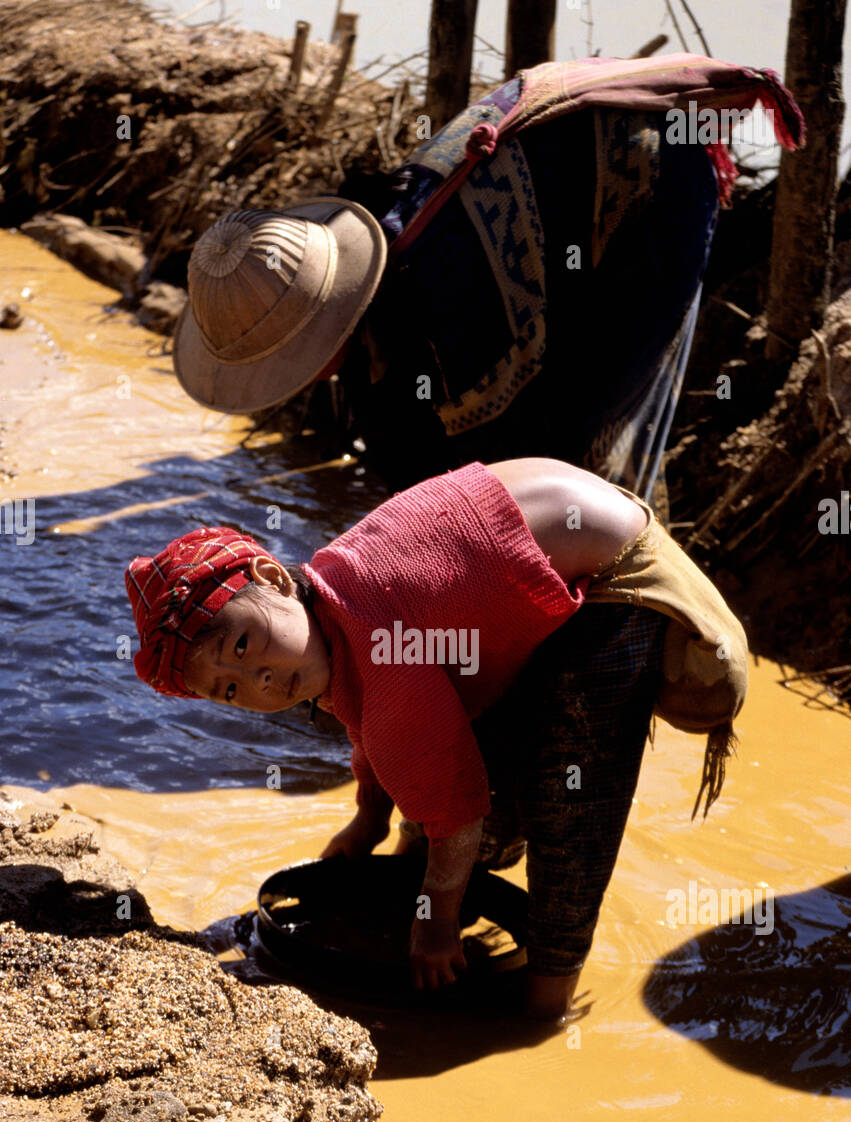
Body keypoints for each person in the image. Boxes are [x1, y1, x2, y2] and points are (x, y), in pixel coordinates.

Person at [124, 457, 748, 1020]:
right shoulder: (334, 602)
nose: (260, 681)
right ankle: (422, 885)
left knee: (570, 800)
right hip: (564, 526)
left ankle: (544, 1005)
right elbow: (367, 721)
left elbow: (457, 813)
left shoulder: (381, 651)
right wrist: (367, 821)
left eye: (242, 646)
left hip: (620, 576)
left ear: (275, 577)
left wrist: (437, 924)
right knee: (457, 759)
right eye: (230, 690)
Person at [170, 53, 803, 507]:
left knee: (584, 437)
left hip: (652, 175)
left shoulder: (448, 295)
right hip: (561, 166)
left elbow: (516, 440)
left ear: (333, 315)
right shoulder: (391, 272)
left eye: (293, 360)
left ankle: (617, 589)